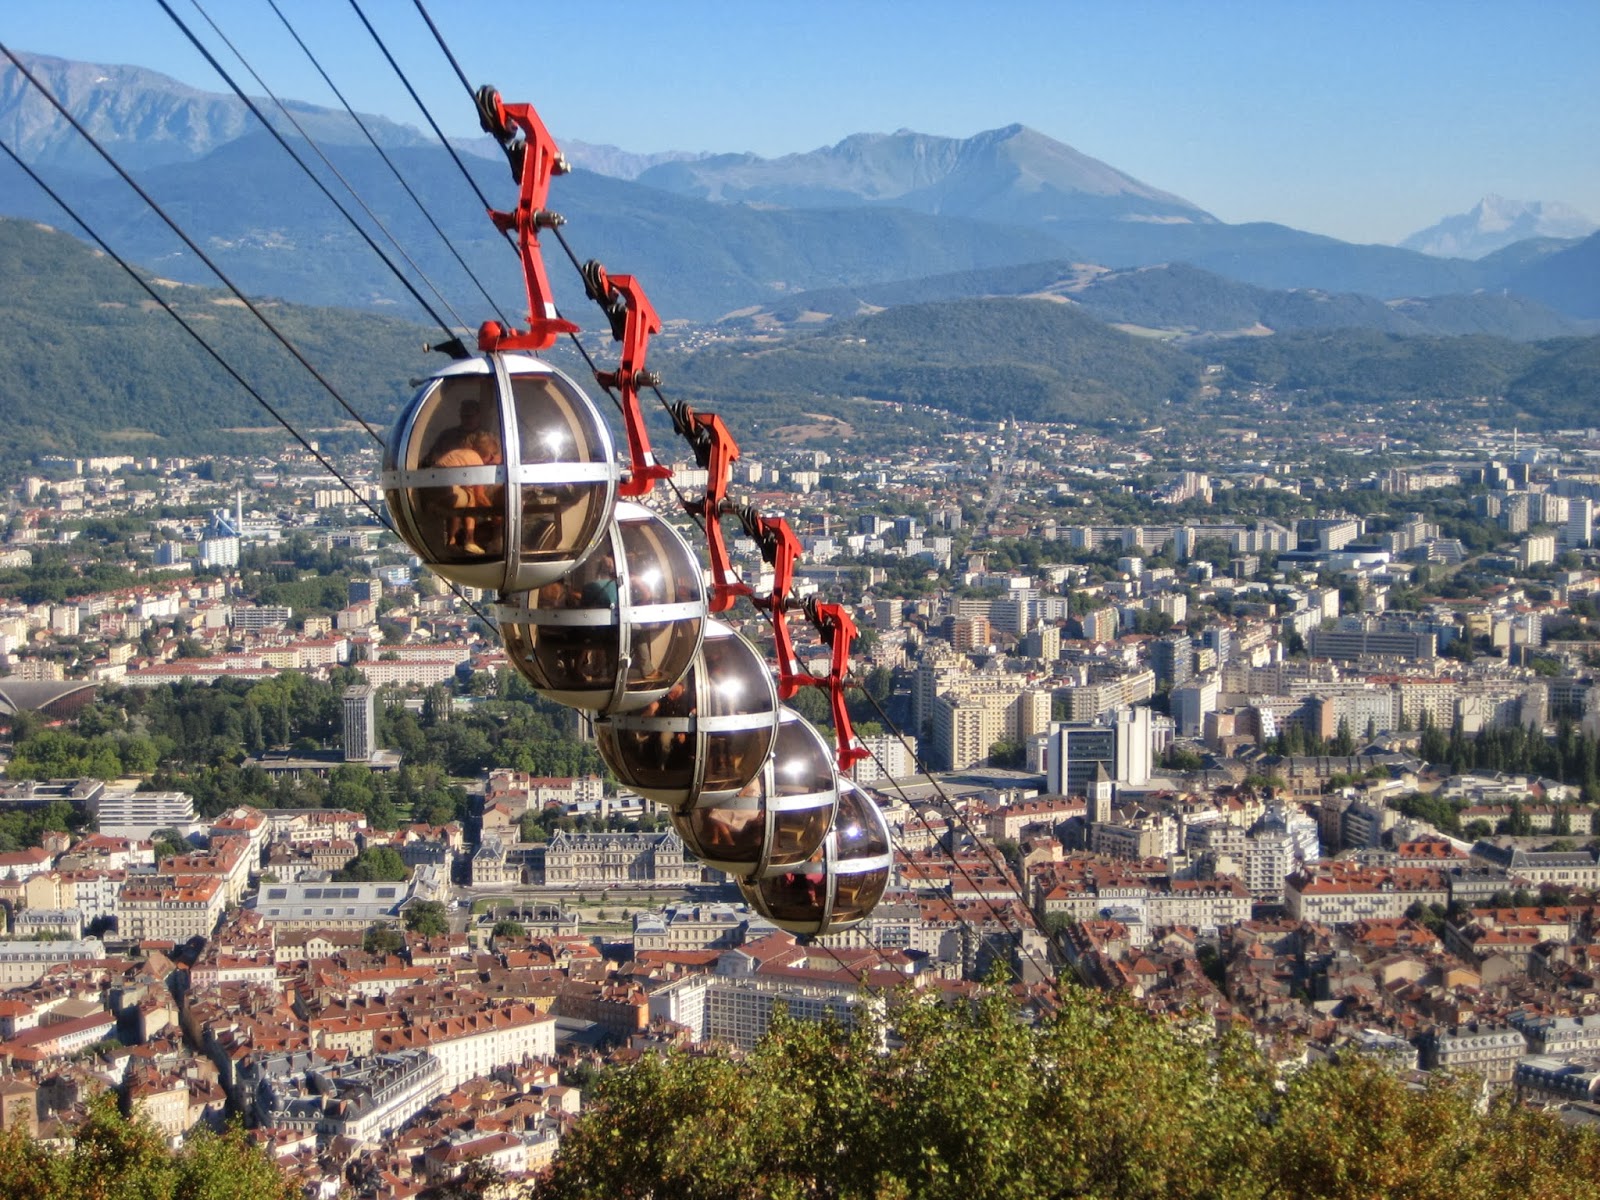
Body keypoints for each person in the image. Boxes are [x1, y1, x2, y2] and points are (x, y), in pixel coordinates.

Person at [433, 430, 501, 554]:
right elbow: (479, 496)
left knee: (461, 499)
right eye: (491, 457)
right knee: (470, 497)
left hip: (431, 491)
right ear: (489, 455)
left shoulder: (461, 454)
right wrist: (495, 514)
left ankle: (452, 541)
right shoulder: (477, 462)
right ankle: (470, 540)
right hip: (447, 491)